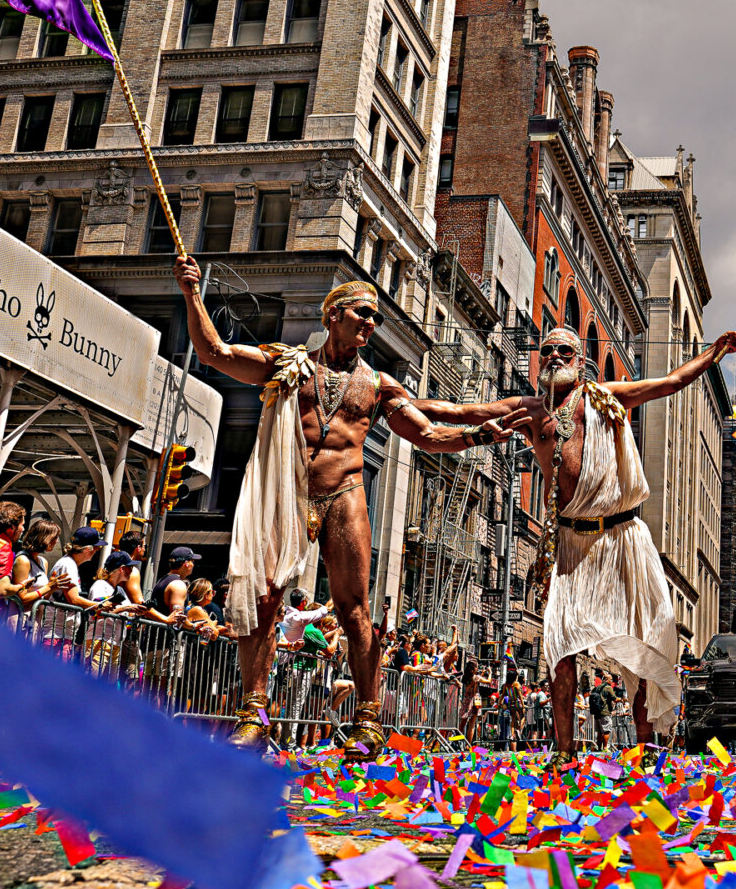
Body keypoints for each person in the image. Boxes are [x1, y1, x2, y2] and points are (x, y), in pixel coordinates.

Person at [174, 258, 525, 755]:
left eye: (376, 317)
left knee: (354, 609)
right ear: (332, 315)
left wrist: (473, 436)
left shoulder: (378, 385)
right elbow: (214, 352)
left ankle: (367, 720)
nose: (371, 323)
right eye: (362, 312)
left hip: (345, 493)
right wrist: (192, 293)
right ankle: (253, 713)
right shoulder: (288, 364)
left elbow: (424, 433)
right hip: (286, 492)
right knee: (263, 601)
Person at [507, 322, 736, 756]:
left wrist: (715, 353)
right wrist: (400, 404)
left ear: (580, 362)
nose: (554, 357)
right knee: (559, 645)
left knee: (643, 647)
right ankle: (563, 753)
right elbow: (467, 416)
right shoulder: (532, 411)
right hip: (569, 547)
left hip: (623, 539)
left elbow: (672, 382)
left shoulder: (606, 398)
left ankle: (644, 746)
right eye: (548, 351)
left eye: (565, 351)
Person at [151, 546, 199, 616]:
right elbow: (177, 617)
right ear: (186, 563)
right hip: (164, 626)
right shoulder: (178, 585)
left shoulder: (164, 579)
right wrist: (193, 625)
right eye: (192, 561)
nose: (193, 565)